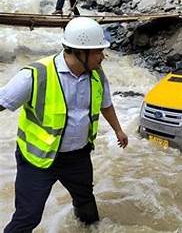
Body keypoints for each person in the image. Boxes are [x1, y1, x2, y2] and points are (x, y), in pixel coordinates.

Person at [1, 17, 128, 232]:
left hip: (77, 158)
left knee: (86, 205)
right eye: (98, 51)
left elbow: (106, 104)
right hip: (38, 161)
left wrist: (118, 129)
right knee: (27, 217)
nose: (103, 57)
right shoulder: (35, 75)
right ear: (80, 52)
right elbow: (2, 102)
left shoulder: (96, 74)